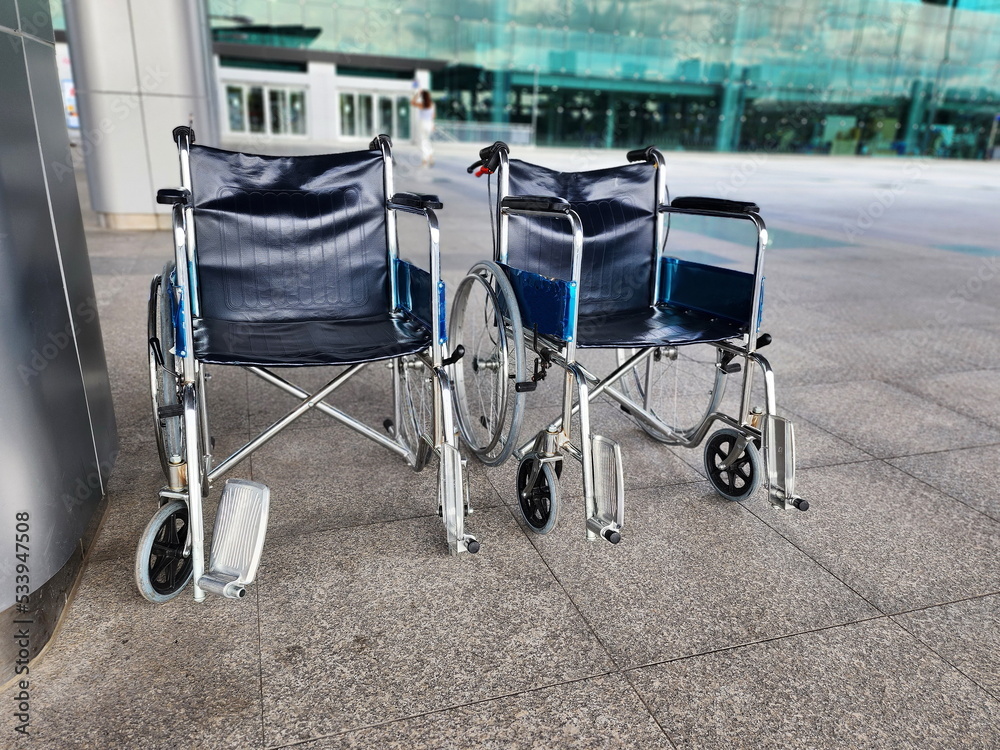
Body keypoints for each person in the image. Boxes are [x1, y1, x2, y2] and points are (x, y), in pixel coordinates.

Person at [412, 89, 436, 166]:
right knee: (427, 140)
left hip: (422, 123)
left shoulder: (422, 104)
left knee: (422, 142)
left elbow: (412, 102)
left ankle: (426, 158)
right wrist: (432, 125)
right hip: (429, 124)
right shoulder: (432, 104)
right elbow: (433, 116)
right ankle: (429, 157)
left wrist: (417, 95)